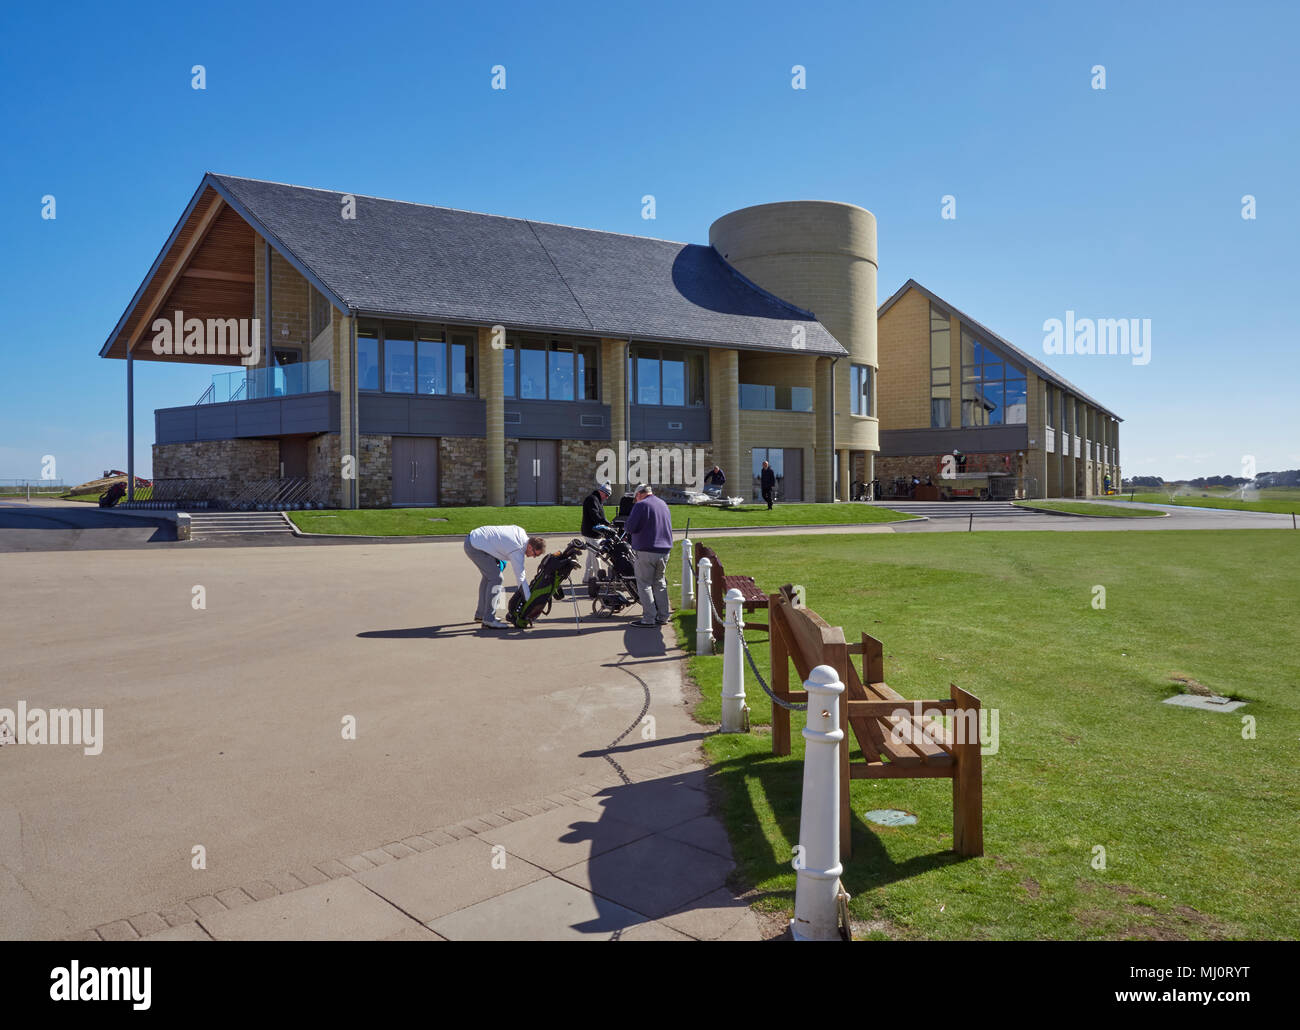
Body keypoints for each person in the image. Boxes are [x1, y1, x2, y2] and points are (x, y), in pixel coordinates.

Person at [463, 525, 546, 629]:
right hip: (475, 546)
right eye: (535, 554)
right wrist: (529, 601)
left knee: (488, 577)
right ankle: (488, 619)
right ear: (529, 547)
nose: (533, 557)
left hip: (475, 539)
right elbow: (521, 579)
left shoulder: (521, 532)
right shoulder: (517, 550)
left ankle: (481, 615)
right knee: (497, 578)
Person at [623, 483, 673, 626]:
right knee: (659, 583)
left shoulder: (641, 505)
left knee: (644, 584)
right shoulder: (663, 503)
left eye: (635, 498)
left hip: (646, 550)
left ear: (639, 494)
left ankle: (649, 618)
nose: (635, 500)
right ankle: (663, 616)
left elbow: (630, 527)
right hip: (664, 550)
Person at [580, 480, 613, 582]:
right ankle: (599, 578)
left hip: (592, 532)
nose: (607, 498)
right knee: (596, 555)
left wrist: (606, 524)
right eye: (606, 495)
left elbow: (598, 516)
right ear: (601, 492)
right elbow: (595, 516)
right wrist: (607, 524)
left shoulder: (596, 500)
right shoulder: (592, 499)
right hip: (592, 533)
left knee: (591, 556)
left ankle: (587, 578)